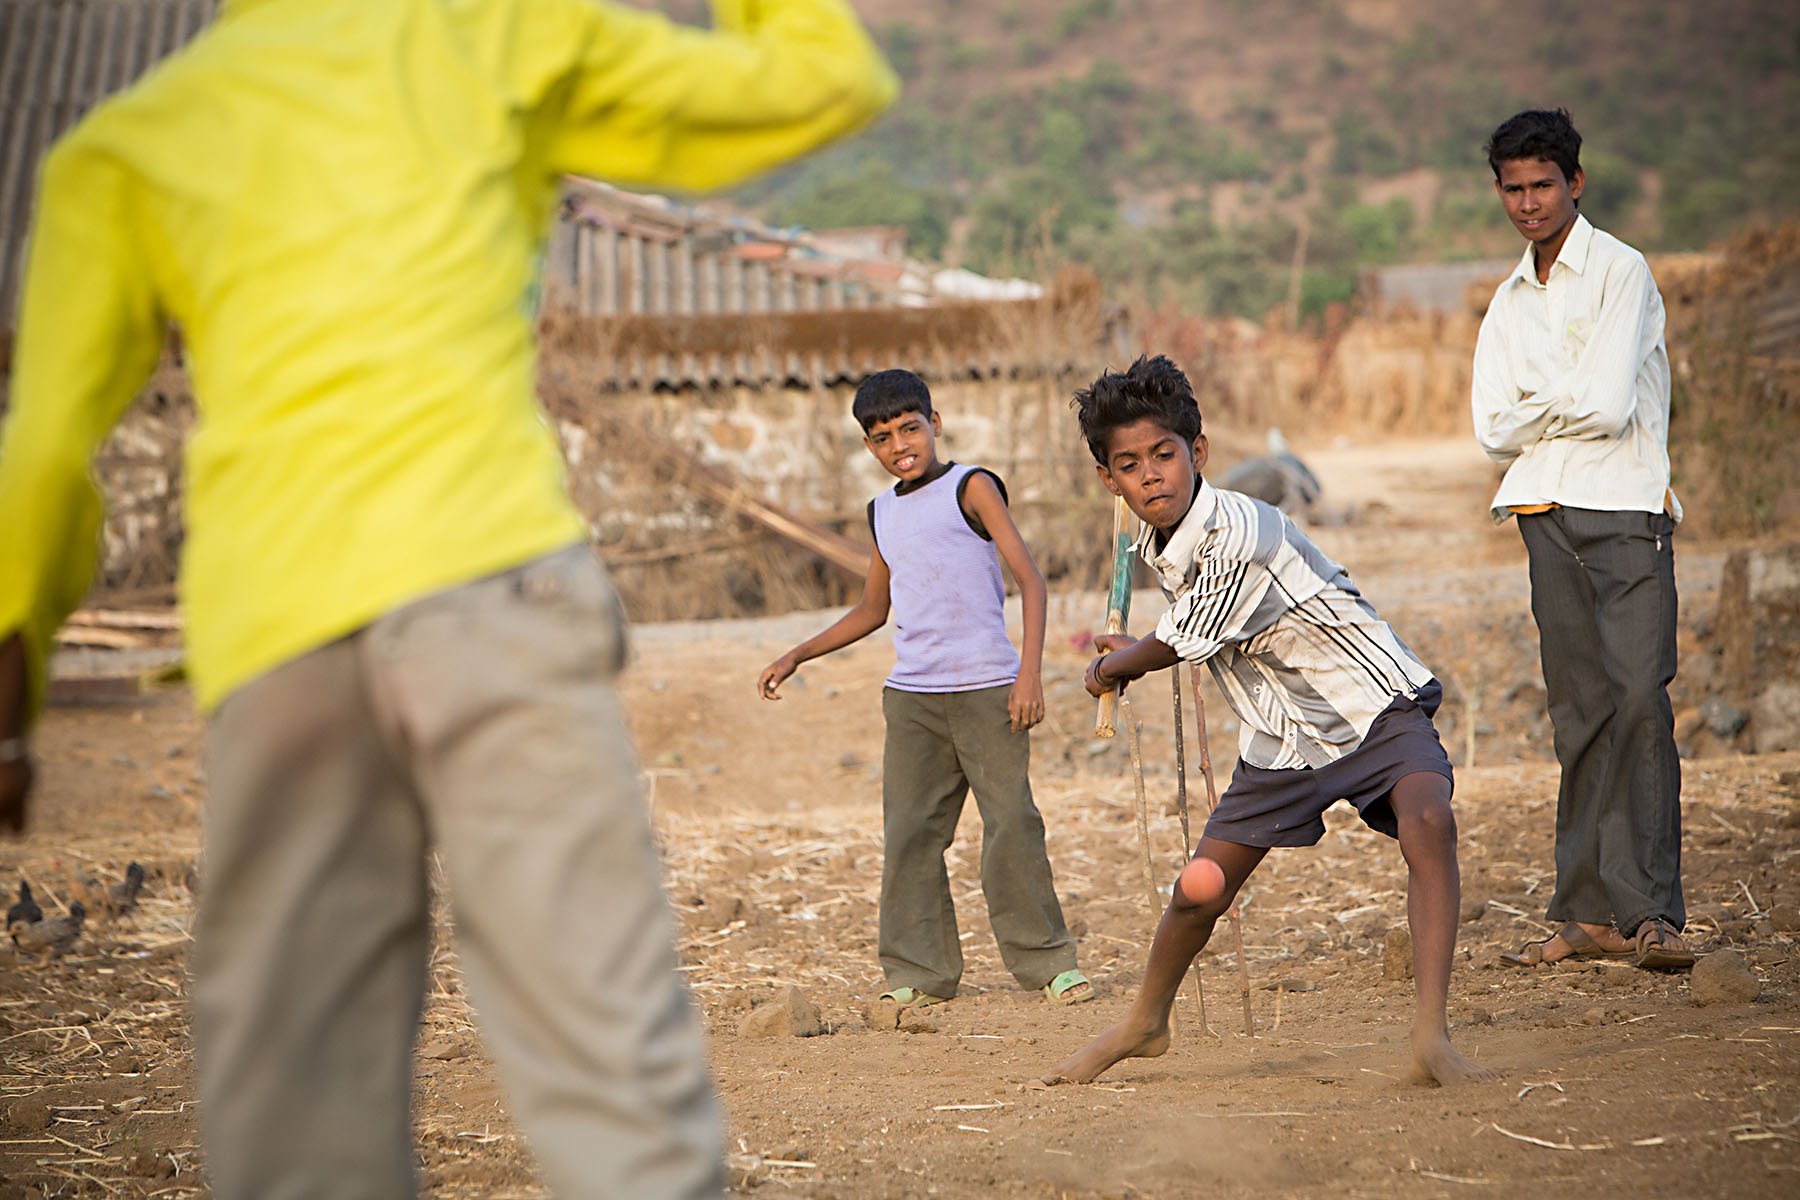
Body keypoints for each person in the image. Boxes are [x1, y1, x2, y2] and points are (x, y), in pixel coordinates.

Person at [0, 1, 895, 1196]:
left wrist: (16, 665)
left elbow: (47, 448)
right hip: (492, 590)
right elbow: (816, 82)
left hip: (280, 630)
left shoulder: (134, 139)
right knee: (607, 1063)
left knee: (299, 1110)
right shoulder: (495, 37)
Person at [1047, 355, 1492, 1088]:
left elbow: (1183, 640)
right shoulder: (1156, 545)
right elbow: (1194, 622)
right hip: (1282, 737)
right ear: (1110, 482)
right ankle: (1145, 1021)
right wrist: (1133, 648)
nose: (1151, 476)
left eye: (1164, 455)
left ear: (1200, 453)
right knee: (1199, 888)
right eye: (1129, 466)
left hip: (1368, 703)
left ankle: (1431, 1036)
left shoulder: (1245, 529)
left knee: (1429, 821)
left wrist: (1111, 667)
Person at [756, 369, 1092, 1010]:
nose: (899, 445)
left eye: (910, 428)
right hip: (913, 700)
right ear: (869, 448)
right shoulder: (882, 512)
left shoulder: (973, 488)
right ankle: (918, 972)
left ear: (933, 425)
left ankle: (1049, 964)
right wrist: (799, 652)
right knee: (911, 833)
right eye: (882, 437)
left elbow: (1031, 580)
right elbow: (870, 610)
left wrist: (1029, 675)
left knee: (1012, 824)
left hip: (990, 689)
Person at [1472, 109, 1693, 973]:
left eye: (1543, 185)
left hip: (1627, 510)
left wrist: (1541, 408)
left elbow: (1607, 408)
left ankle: (1653, 913)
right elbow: (1491, 431)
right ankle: (1589, 913)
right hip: (1540, 513)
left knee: (1641, 698)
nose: (1529, 203)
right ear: (1501, 192)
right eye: (1514, 189)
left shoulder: (1622, 271)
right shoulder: (1505, 299)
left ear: (1576, 183)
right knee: (1581, 716)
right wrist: (1556, 407)